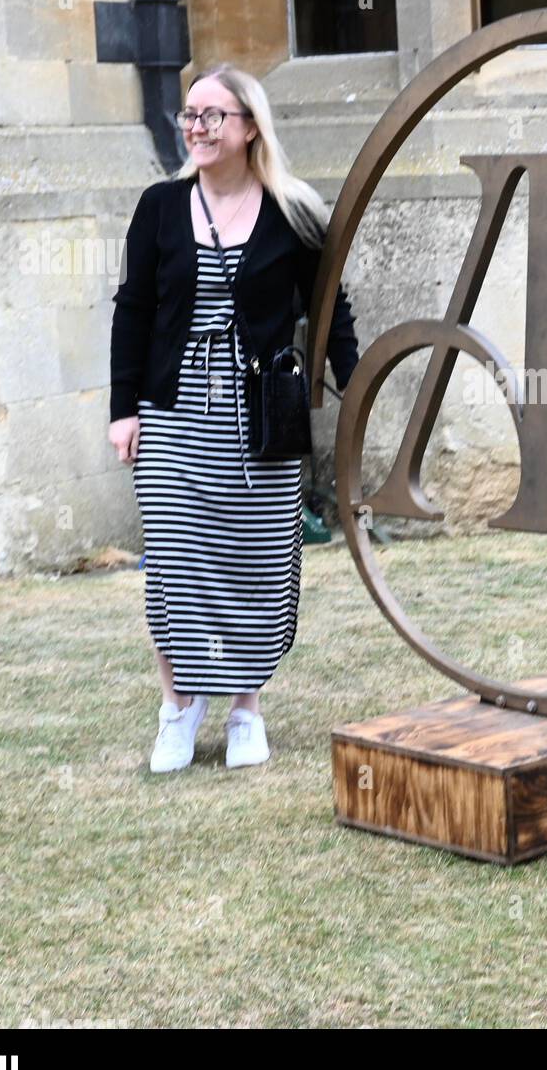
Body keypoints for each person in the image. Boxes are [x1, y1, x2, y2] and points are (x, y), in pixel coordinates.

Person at [107, 63, 359, 774]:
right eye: (189, 114)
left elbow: (330, 306)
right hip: (174, 406)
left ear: (250, 126)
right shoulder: (159, 207)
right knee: (177, 568)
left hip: (260, 416)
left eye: (213, 115)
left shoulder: (295, 211)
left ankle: (246, 708)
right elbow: (132, 310)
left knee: (254, 563)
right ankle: (178, 709)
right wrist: (124, 409)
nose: (198, 127)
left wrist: (355, 374)